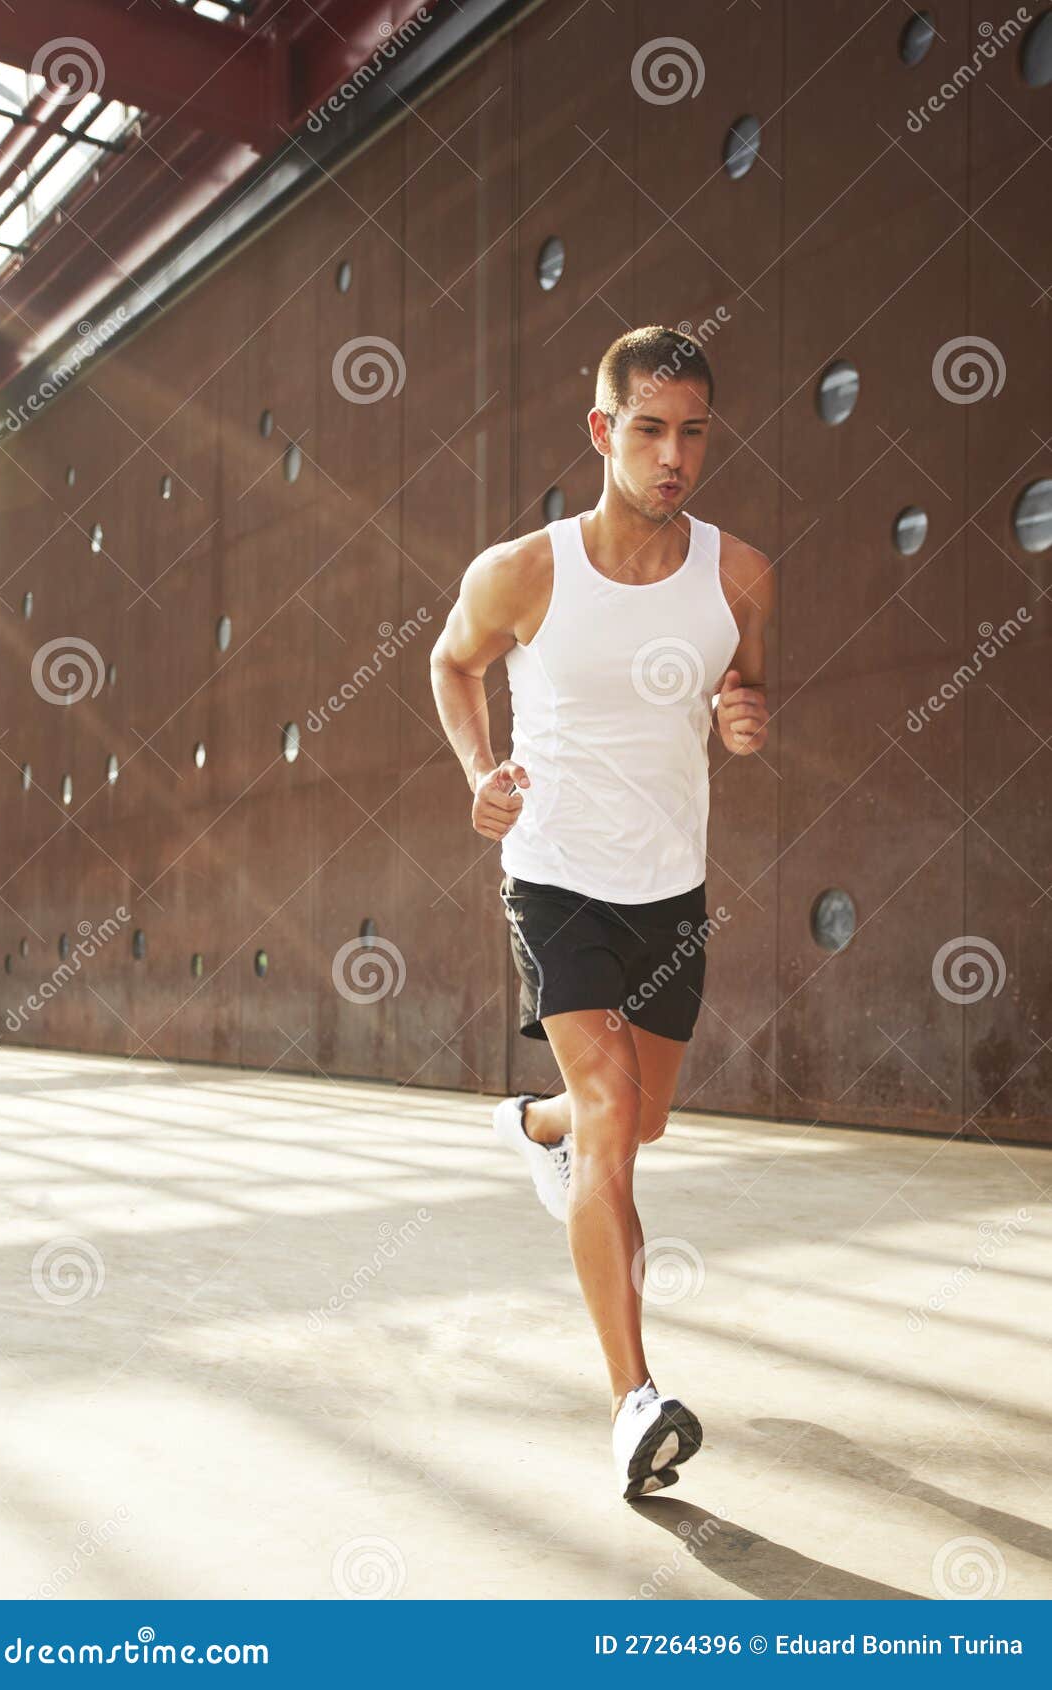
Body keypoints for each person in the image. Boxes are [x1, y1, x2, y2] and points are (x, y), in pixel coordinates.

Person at [429, 325, 772, 1500]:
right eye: (647, 429)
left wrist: (743, 714)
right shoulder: (523, 570)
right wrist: (481, 772)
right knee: (614, 1113)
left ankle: (532, 1124)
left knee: (639, 1124)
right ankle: (634, 1401)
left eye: (691, 433)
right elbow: (448, 661)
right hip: (555, 873)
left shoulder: (738, 575)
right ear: (600, 431)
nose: (672, 454)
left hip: (670, 888)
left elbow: (743, 681)